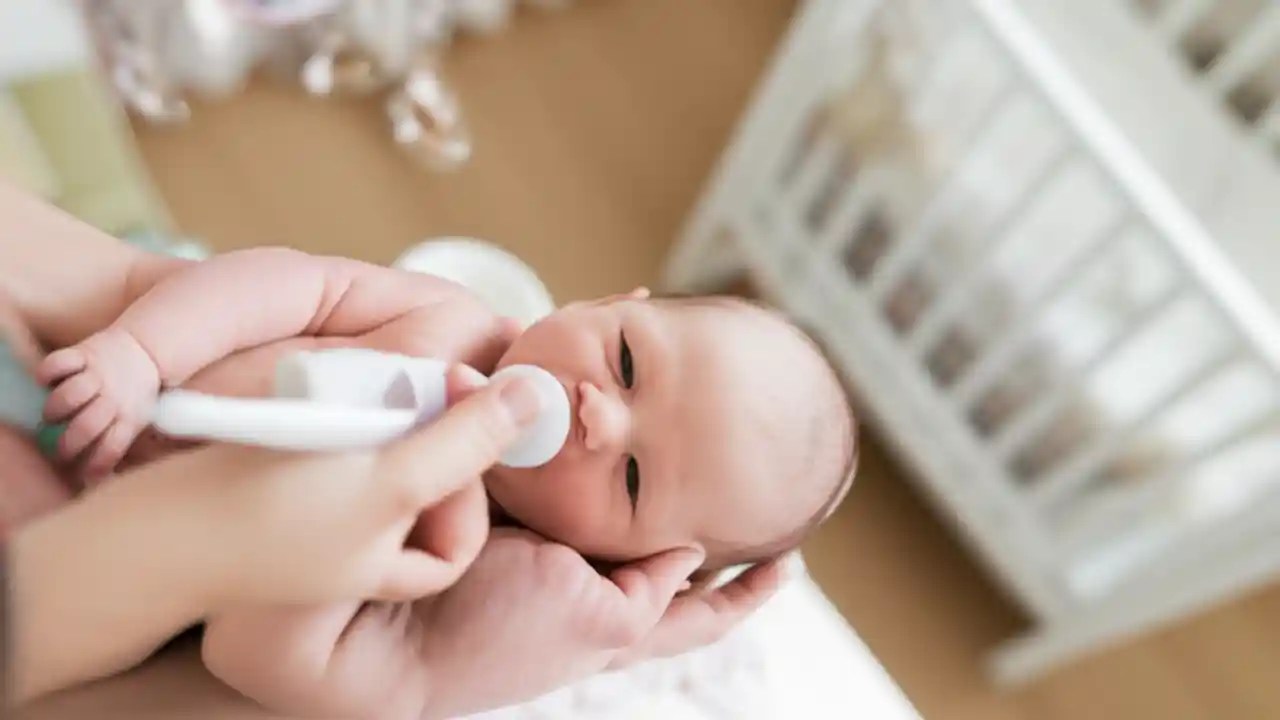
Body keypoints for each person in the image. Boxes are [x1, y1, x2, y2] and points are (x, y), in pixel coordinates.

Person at [0, 180, 788, 716]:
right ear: (612, 303)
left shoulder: (462, 564)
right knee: (144, 279)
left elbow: (252, 667)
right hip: (116, 364)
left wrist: (440, 665)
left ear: (623, 562)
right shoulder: (452, 320)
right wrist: (142, 353)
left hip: (87, 538)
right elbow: (289, 285)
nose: (599, 420)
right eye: (625, 364)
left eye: (633, 478)